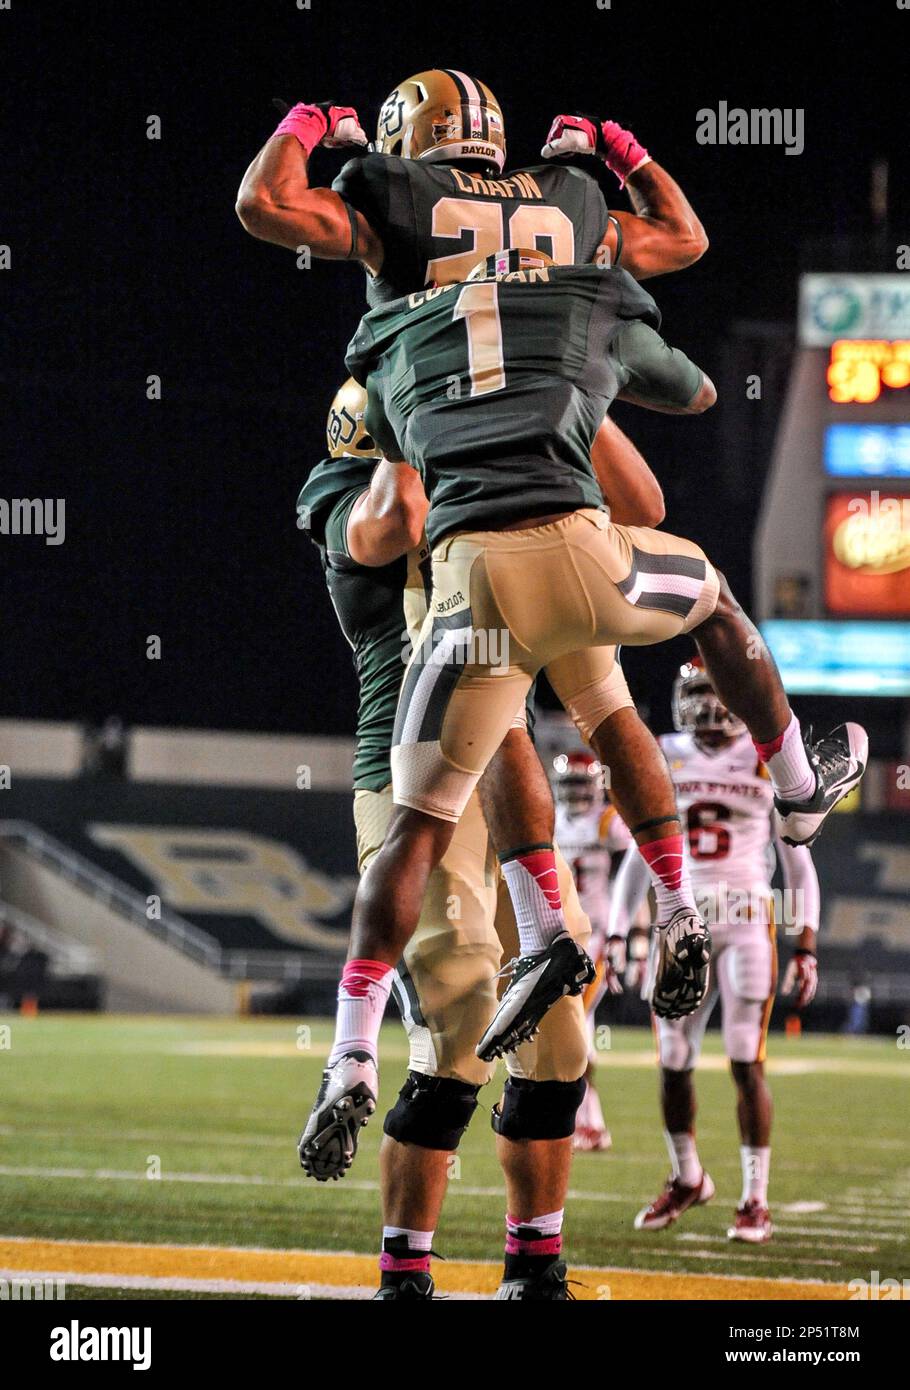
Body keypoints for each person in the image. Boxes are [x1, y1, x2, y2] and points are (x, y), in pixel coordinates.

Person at [299, 246, 867, 1181]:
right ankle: (773, 804)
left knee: (548, 1029)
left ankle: (371, 1051)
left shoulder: (411, 379)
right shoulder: (366, 471)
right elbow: (654, 459)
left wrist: (475, 411)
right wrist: (551, 391)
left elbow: (413, 507)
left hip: (470, 638)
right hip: (512, 615)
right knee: (453, 1027)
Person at [609, 658, 821, 1243]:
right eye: (695, 691)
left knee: (743, 1061)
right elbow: (638, 848)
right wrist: (618, 928)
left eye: (715, 690)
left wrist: (805, 945)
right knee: (673, 1062)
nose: (705, 704)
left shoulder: (766, 752)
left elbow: (797, 860)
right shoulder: (663, 752)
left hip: (748, 920)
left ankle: (756, 1198)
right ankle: (687, 1177)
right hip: (681, 924)